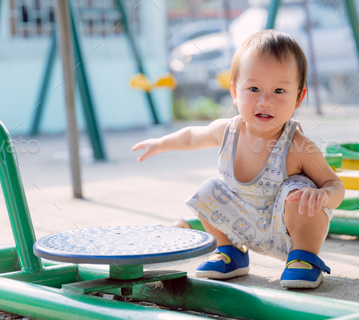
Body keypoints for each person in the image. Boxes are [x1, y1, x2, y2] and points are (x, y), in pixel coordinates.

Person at [132, 30, 345, 289]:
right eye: (253, 88)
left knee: (299, 191)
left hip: (287, 232)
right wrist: (160, 143)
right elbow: (191, 137)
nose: (264, 101)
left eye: (279, 90)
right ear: (235, 92)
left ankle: (304, 259)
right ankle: (230, 252)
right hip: (244, 227)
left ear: (299, 97)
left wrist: (324, 195)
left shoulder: (299, 147)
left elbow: (335, 185)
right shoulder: (227, 131)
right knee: (209, 188)